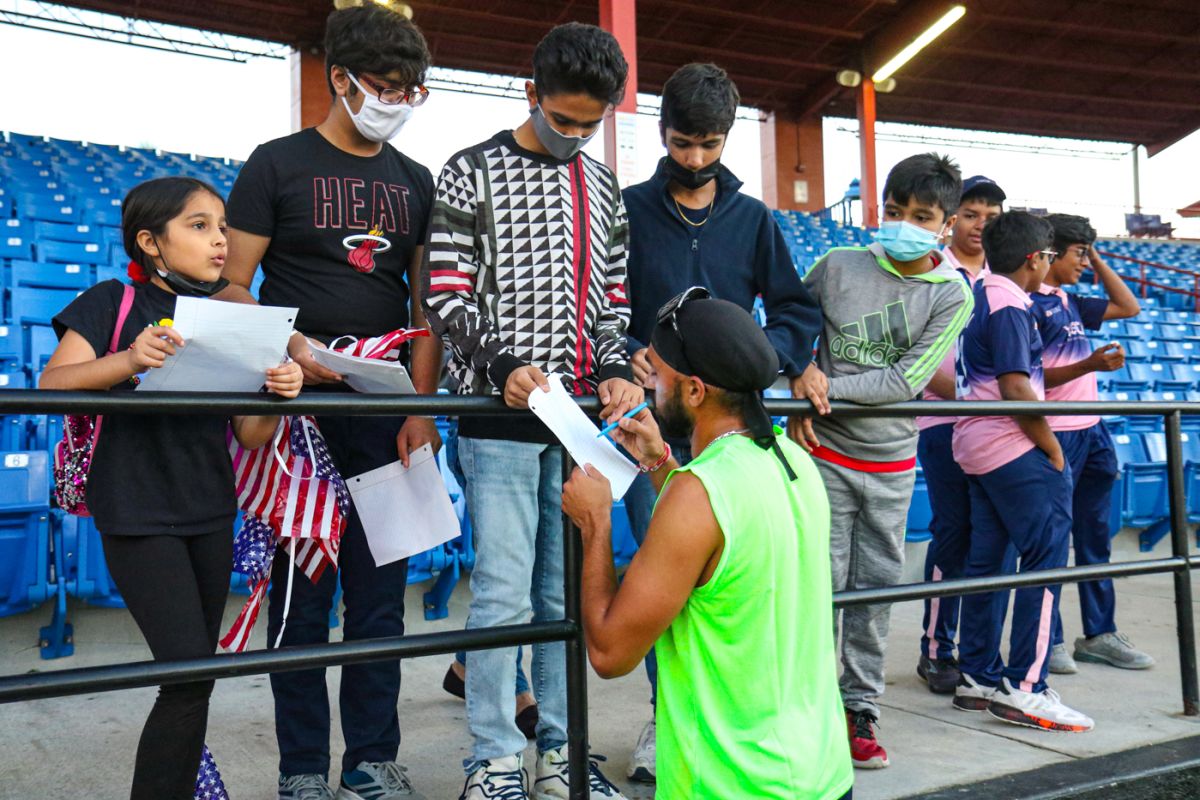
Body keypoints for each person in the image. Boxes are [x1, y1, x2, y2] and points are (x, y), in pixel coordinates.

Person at [221, 5, 440, 798]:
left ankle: (372, 761)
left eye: (411, 91)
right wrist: (291, 351)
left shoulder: (416, 182)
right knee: (300, 603)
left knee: (381, 602)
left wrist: (420, 409)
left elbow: (426, 308)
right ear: (339, 77)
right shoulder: (275, 165)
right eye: (384, 87)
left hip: (382, 417)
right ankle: (303, 770)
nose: (396, 102)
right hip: (295, 414)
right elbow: (235, 282)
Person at [421, 22, 639, 800]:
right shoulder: (468, 172)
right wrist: (504, 368)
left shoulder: (605, 187)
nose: (576, 135)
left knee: (562, 595)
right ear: (530, 92)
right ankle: (491, 758)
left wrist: (614, 370)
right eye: (563, 119)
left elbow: (612, 303)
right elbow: (445, 295)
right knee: (505, 591)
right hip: (499, 415)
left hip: (579, 422)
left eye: (591, 124)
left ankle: (561, 752)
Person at [40, 177, 303, 799]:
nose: (220, 239)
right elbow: (52, 384)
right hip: (135, 511)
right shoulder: (111, 302)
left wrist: (280, 394)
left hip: (211, 511)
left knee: (196, 676)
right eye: (199, 225)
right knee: (187, 675)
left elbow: (253, 434)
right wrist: (130, 360)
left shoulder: (234, 316)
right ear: (150, 242)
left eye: (221, 225)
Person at [560, 290, 852, 800]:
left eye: (659, 374)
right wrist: (659, 463)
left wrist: (596, 524)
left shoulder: (698, 495)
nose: (649, 387)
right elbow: (720, 537)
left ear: (695, 391)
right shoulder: (793, 461)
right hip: (821, 773)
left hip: (731, 784)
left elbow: (609, 652)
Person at [618, 61, 822, 782]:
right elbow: (605, 305)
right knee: (661, 580)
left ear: (728, 137)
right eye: (681, 143)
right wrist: (624, 356)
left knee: (729, 586)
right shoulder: (628, 210)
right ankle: (662, 718)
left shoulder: (754, 220)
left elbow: (796, 309)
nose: (695, 159)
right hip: (655, 418)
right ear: (662, 133)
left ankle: (744, 719)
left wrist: (777, 362)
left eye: (708, 144)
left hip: (732, 428)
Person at [795, 153, 973, 768]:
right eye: (895, 211)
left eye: (921, 216)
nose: (903, 224)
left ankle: (858, 708)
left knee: (873, 597)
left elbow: (905, 381)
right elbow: (792, 328)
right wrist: (799, 370)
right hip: (821, 455)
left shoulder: (954, 294)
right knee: (814, 588)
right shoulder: (837, 265)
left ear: (945, 224)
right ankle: (809, 705)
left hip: (892, 465)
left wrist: (822, 388)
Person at [951, 211, 1093, 732]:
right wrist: (1052, 446)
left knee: (988, 562)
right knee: (1047, 557)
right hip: (1009, 446)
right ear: (1035, 258)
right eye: (1051, 255)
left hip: (977, 445)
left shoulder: (982, 292)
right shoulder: (1009, 302)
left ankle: (978, 677)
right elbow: (1015, 389)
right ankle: (1025, 688)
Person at [1034, 213, 1152, 674]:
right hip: (1058, 433)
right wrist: (1089, 368)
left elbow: (1129, 307)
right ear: (1051, 254)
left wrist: (1096, 255)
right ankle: (1052, 638)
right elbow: (1029, 378)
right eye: (1078, 254)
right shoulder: (1027, 302)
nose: (1084, 263)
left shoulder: (1072, 300)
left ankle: (1099, 634)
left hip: (1094, 431)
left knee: (1095, 538)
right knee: (1052, 541)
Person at [914, 175, 1006, 694]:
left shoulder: (1004, 278)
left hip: (991, 428)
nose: (980, 226)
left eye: (990, 218)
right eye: (971, 215)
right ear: (952, 220)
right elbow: (921, 363)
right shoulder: (930, 271)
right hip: (944, 422)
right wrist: (973, 397)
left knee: (987, 536)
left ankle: (978, 651)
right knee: (953, 533)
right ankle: (936, 649)